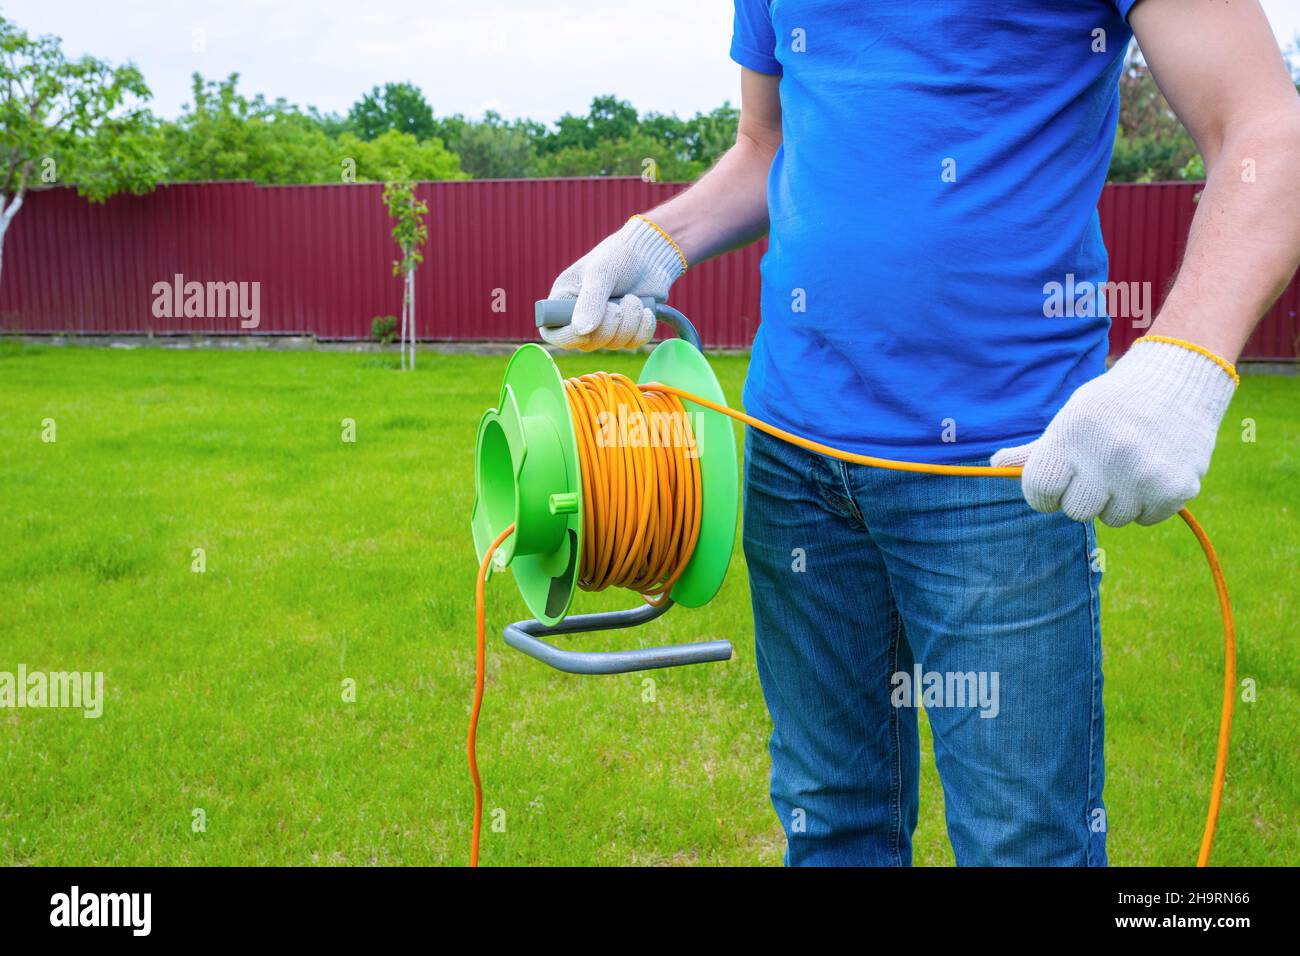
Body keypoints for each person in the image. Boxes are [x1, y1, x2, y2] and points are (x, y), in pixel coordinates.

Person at [541, 0, 1300, 865]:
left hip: (1000, 473)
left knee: (1025, 844)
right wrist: (655, 240)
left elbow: (1265, 126)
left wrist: (1187, 360)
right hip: (794, 456)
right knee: (829, 818)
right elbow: (766, 144)